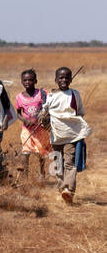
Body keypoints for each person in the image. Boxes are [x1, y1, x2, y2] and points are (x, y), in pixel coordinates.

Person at [46, 66, 91, 204]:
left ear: (71, 79)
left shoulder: (75, 94)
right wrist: (43, 118)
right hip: (55, 135)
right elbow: (45, 111)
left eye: (67, 77)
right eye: (61, 77)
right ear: (56, 80)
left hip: (72, 135)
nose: (64, 80)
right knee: (57, 163)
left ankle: (69, 190)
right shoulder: (51, 96)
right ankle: (61, 188)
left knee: (69, 163)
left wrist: (70, 120)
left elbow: (80, 112)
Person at [12, 69, 51, 184]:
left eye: (30, 80)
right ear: (21, 82)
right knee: (25, 152)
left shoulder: (42, 94)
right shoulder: (19, 97)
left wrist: (43, 116)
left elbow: (48, 107)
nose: (27, 82)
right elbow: (18, 113)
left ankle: (42, 173)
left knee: (41, 152)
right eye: (25, 80)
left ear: (35, 81)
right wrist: (24, 120)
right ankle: (24, 179)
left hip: (41, 129)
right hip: (27, 130)